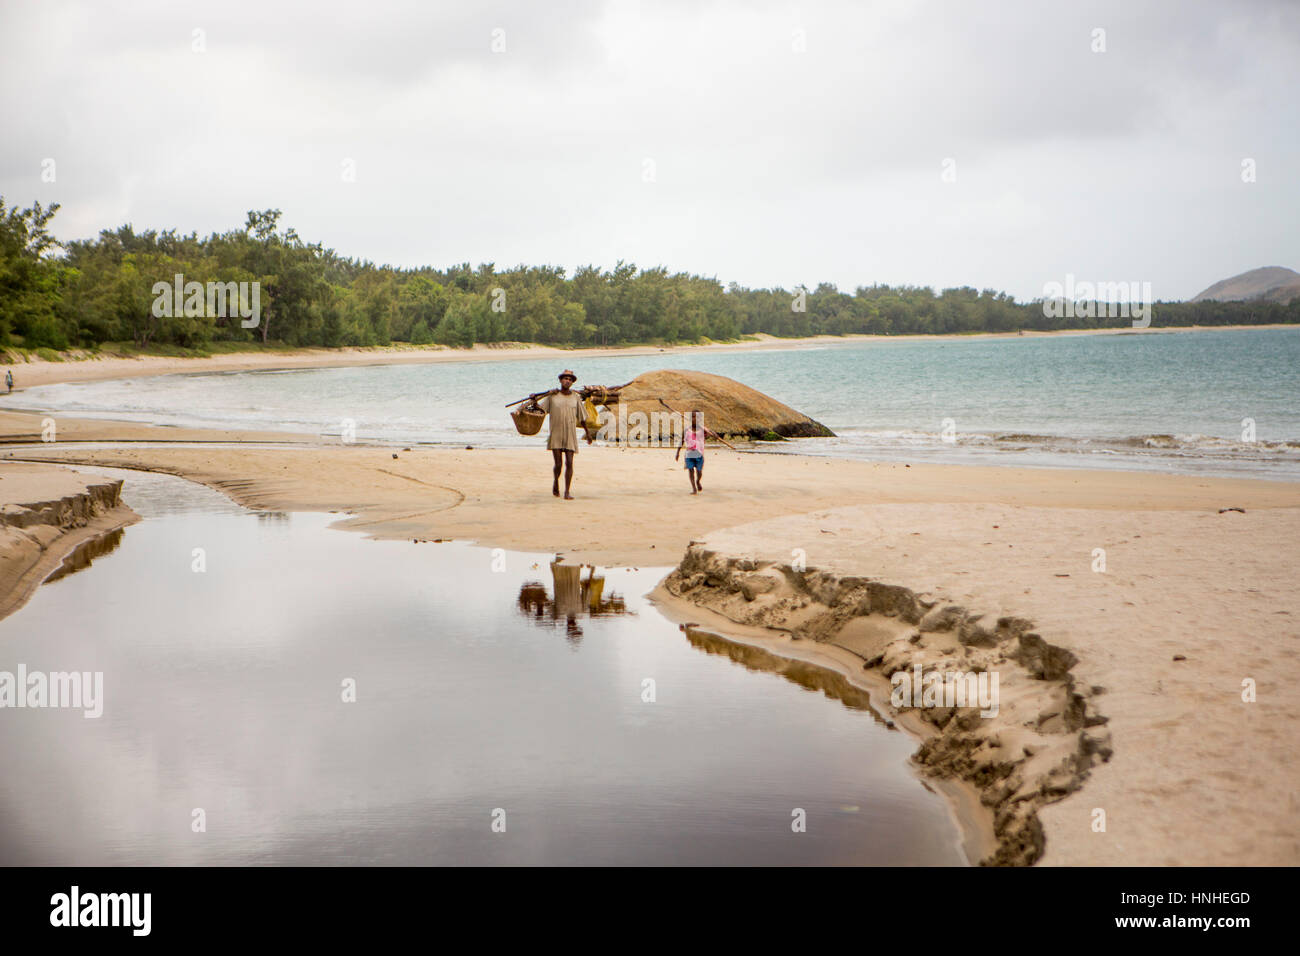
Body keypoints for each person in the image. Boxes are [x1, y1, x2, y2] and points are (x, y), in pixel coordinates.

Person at [537, 369, 592, 499]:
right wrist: (534, 399)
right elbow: (540, 410)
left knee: (569, 463)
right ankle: (556, 481)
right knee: (558, 464)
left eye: (570, 379)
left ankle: (567, 492)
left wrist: (588, 433)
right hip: (556, 433)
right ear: (561, 380)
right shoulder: (552, 396)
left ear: (572, 383)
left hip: (570, 434)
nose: (567, 381)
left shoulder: (576, 398)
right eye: (565, 378)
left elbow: (582, 417)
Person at [674, 410, 720, 494]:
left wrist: (714, 434)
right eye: (693, 417)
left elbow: (714, 435)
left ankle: (698, 481)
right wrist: (677, 453)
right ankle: (694, 488)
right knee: (690, 470)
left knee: (699, 471)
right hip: (689, 455)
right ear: (691, 418)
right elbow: (681, 441)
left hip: (699, 455)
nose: (695, 419)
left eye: (697, 417)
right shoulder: (687, 430)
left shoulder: (703, 430)